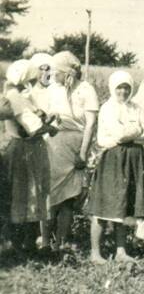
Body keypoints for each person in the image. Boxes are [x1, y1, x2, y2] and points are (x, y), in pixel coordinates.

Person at [85, 70, 144, 263]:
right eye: (119, 87)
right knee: (104, 205)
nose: (123, 92)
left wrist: (133, 132)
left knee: (124, 205)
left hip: (133, 161)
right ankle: (95, 253)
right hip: (113, 161)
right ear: (112, 88)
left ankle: (121, 251)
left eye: (126, 87)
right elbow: (115, 136)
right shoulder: (107, 108)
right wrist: (135, 131)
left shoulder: (136, 108)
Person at [43, 52, 97, 250]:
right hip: (54, 144)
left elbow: (90, 125)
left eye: (56, 71)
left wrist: (83, 153)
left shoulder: (86, 89)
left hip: (77, 144)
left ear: (67, 73)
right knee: (50, 194)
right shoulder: (53, 90)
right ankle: (46, 241)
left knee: (69, 197)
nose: (53, 75)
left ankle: (61, 241)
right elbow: (45, 116)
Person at [4, 60, 55, 253]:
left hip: (32, 148)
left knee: (34, 193)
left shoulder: (23, 95)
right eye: (32, 78)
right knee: (23, 194)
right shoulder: (14, 96)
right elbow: (31, 126)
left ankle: (28, 241)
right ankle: (19, 244)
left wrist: (45, 118)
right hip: (23, 149)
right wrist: (49, 126)